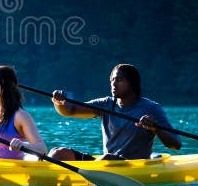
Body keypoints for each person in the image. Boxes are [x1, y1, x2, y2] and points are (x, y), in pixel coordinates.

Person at [49, 63, 181, 161]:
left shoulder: (151, 108)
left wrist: (156, 129)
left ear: (132, 83)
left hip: (133, 166)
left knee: (107, 158)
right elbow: (70, 111)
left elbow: (176, 144)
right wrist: (58, 102)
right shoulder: (105, 104)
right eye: (112, 80)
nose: (113, 84)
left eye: (119, 80)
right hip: (108, 162)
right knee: (57, 153)